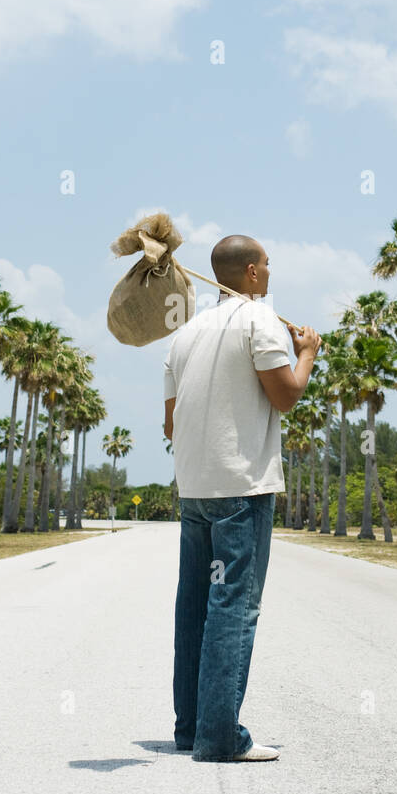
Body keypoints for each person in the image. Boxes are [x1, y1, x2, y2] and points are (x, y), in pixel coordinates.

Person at [163, 235, 321, 762]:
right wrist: (307, 354)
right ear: (251, 272)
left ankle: (192, 729)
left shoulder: (184, 334)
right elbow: (286, 395)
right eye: (268, 265)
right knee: (234, 606)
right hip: (242, 489)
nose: (272, 273)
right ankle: (221, 736)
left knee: (195, 606)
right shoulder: (260, 321)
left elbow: (170, 422)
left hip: (195, 490)